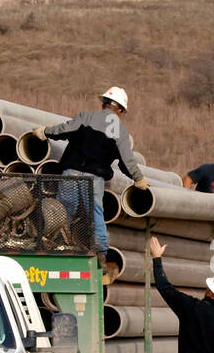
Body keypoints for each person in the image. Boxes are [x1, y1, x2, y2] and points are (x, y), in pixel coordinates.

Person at [32, 87, 148, 262]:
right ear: (120, 110)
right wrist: (138, 178)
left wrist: (45, 131)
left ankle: (56, 242)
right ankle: (101, 251)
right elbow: (127, 160)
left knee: (64, 209)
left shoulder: (86, 117)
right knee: (95, 213)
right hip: (94, 178)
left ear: (103, 104)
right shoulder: (120, 132)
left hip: (71, 172)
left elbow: (65, 129)